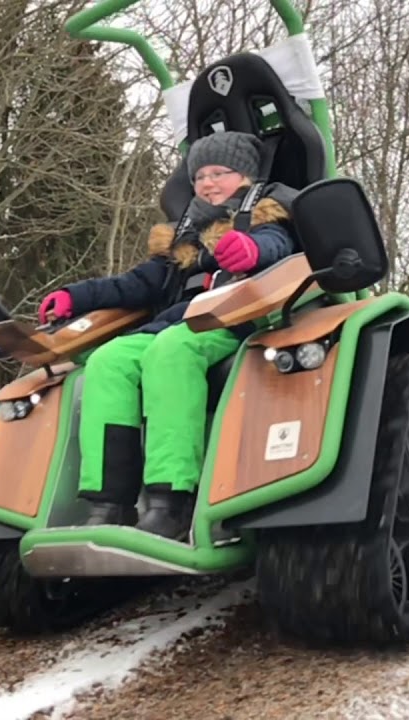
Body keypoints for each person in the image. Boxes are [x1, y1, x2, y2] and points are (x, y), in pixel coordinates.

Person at [36, 130, 300, 540]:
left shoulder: (265, 219)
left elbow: (274, 248)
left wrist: (249, 252)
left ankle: (170, 499)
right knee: (109, 360)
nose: (208, 183)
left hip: (230, 323)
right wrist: (76, 296)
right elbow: (133, 285)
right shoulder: (183, 240)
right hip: (175, 325)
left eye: (220, 173)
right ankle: (110, 502)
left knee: (170, 351)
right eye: (199, 177)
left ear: (247, 178)